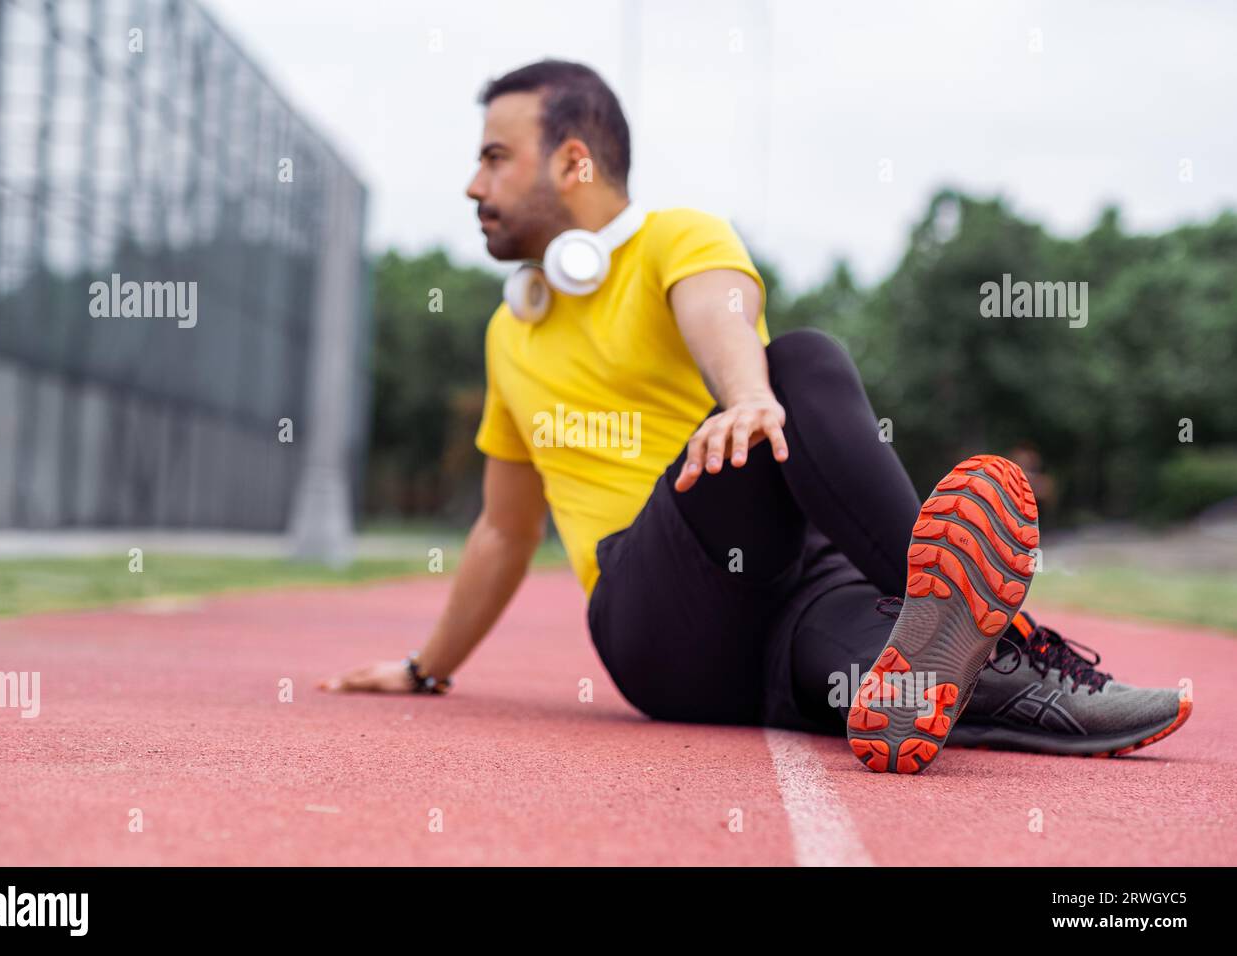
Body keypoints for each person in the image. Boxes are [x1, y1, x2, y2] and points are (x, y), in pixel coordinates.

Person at [321, 59, 1191, 773]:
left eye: (494, 157)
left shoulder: (677, 237)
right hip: (657, 618)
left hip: (800, 599)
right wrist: (422, 668)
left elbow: (724, 316)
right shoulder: (510, 334)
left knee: (890, 667)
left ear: (573, 162)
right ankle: (1000, 626)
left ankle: (972, 661)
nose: (474, 183)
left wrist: (745, 397)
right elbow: (505, 533)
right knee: (799, 365)